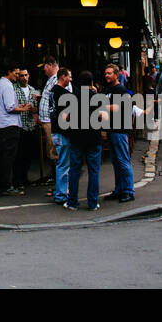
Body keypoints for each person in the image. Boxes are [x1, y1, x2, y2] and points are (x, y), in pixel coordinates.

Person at [62, 70, 102, 211]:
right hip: (93, 137)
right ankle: (93, 202)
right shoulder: (96, 98)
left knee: (74, 170)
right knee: (94, 171)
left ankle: (72, 201)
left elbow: (66, 117)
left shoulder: (73, 97)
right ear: (91, 83)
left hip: (77, 137)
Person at [0, 63, 29, 195]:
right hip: (9, 125)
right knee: (8, 157)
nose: (18, 76)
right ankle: (6, 186)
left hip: (2, 125)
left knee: (3, 156)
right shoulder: (7, 86)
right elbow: (10, 107)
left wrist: (19, 106)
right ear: (9, 72)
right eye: (16, 73)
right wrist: (23, 108)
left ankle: (1, 184)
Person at [101, 63, 136, 203]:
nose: (107, 75)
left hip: (120, 130)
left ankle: (128, 190)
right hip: (111, 129)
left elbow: (118, 107)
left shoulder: (121, 90)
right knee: (116, 161)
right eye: (105, 73)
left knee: (123, 160)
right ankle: (119, 189)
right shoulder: (107, 90)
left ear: (116, 75)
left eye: (109, 73)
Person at [48, 66, 74, 203]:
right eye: (69, 76)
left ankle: (62, 191)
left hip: (55, 130)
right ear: (63, 76)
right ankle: (61, 194)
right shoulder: (63, 93)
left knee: (61, 163)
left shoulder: (52, 92)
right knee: (64, 164)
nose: (70, 79)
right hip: (63, 132)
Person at [37, 57, 60, 191]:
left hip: (52, 121)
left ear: (51, 65)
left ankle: (60, 186)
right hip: (47, 120)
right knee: (52, 152)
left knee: (55, 152)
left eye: (45, 67)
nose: (44, 70)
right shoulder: (51, 79)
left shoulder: (58, 79)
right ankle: (57, 183)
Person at [13, 68, 38, 190]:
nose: (24, 77)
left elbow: (37, 107)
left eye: (26, 75)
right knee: (19, 154)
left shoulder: (33, 90)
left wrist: (34, 109)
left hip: (30, 124)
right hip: (19, 124)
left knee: (28, 154)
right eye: (22, 75)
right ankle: (17, 180)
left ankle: (25, 177)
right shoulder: (14, 89)